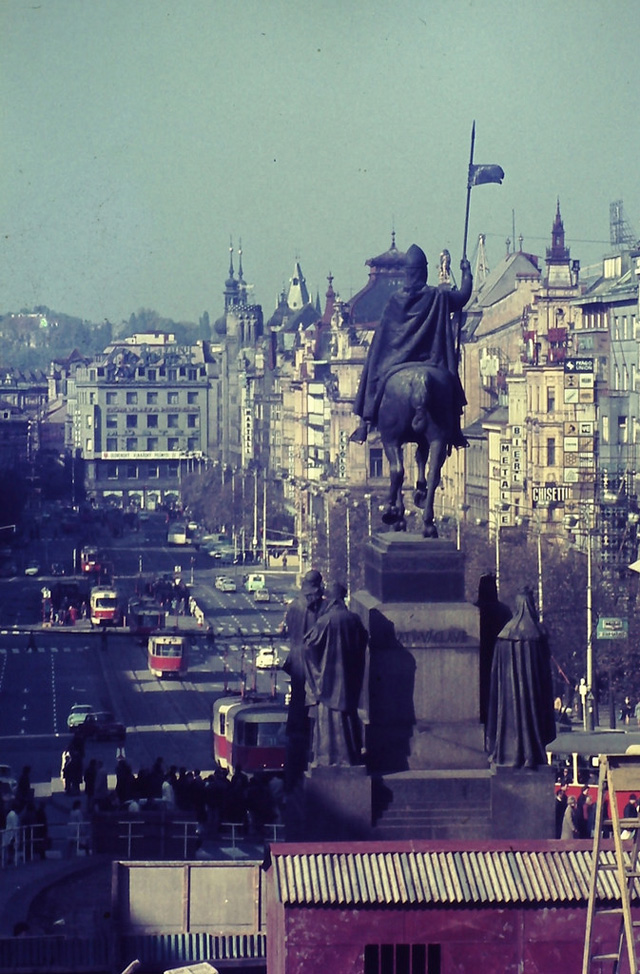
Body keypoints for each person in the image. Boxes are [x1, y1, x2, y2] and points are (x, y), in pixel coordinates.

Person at [350, 243, 472, 447]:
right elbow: (462, 298)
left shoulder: (394, 300)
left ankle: (366, 420)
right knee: (449, 384)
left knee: (374, 363)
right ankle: (456, 430)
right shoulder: (438, 296)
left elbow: (383, 340)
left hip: (395, 361)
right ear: (424, 272)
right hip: (431, 360)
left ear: (406, 273)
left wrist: (379, 355)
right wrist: (466, 273)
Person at [304, 581, 369, 768]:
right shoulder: (354, 619)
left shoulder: (325, 621)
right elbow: (363, 642)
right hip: (349, 679)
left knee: (329, 723)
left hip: (328, 681)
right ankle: (350, 756)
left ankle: (329, 758)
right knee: (348, 719)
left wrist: (317, 673)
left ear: (330, 600)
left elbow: (309, 647)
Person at [281, 569, 327, 790]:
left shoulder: (294, 605)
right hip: (309, 660)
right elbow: (317, 634)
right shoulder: (312, 604)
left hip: (296, 657)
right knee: (310, 705)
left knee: (298, 708)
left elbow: (291, 631)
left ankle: (299, 740)